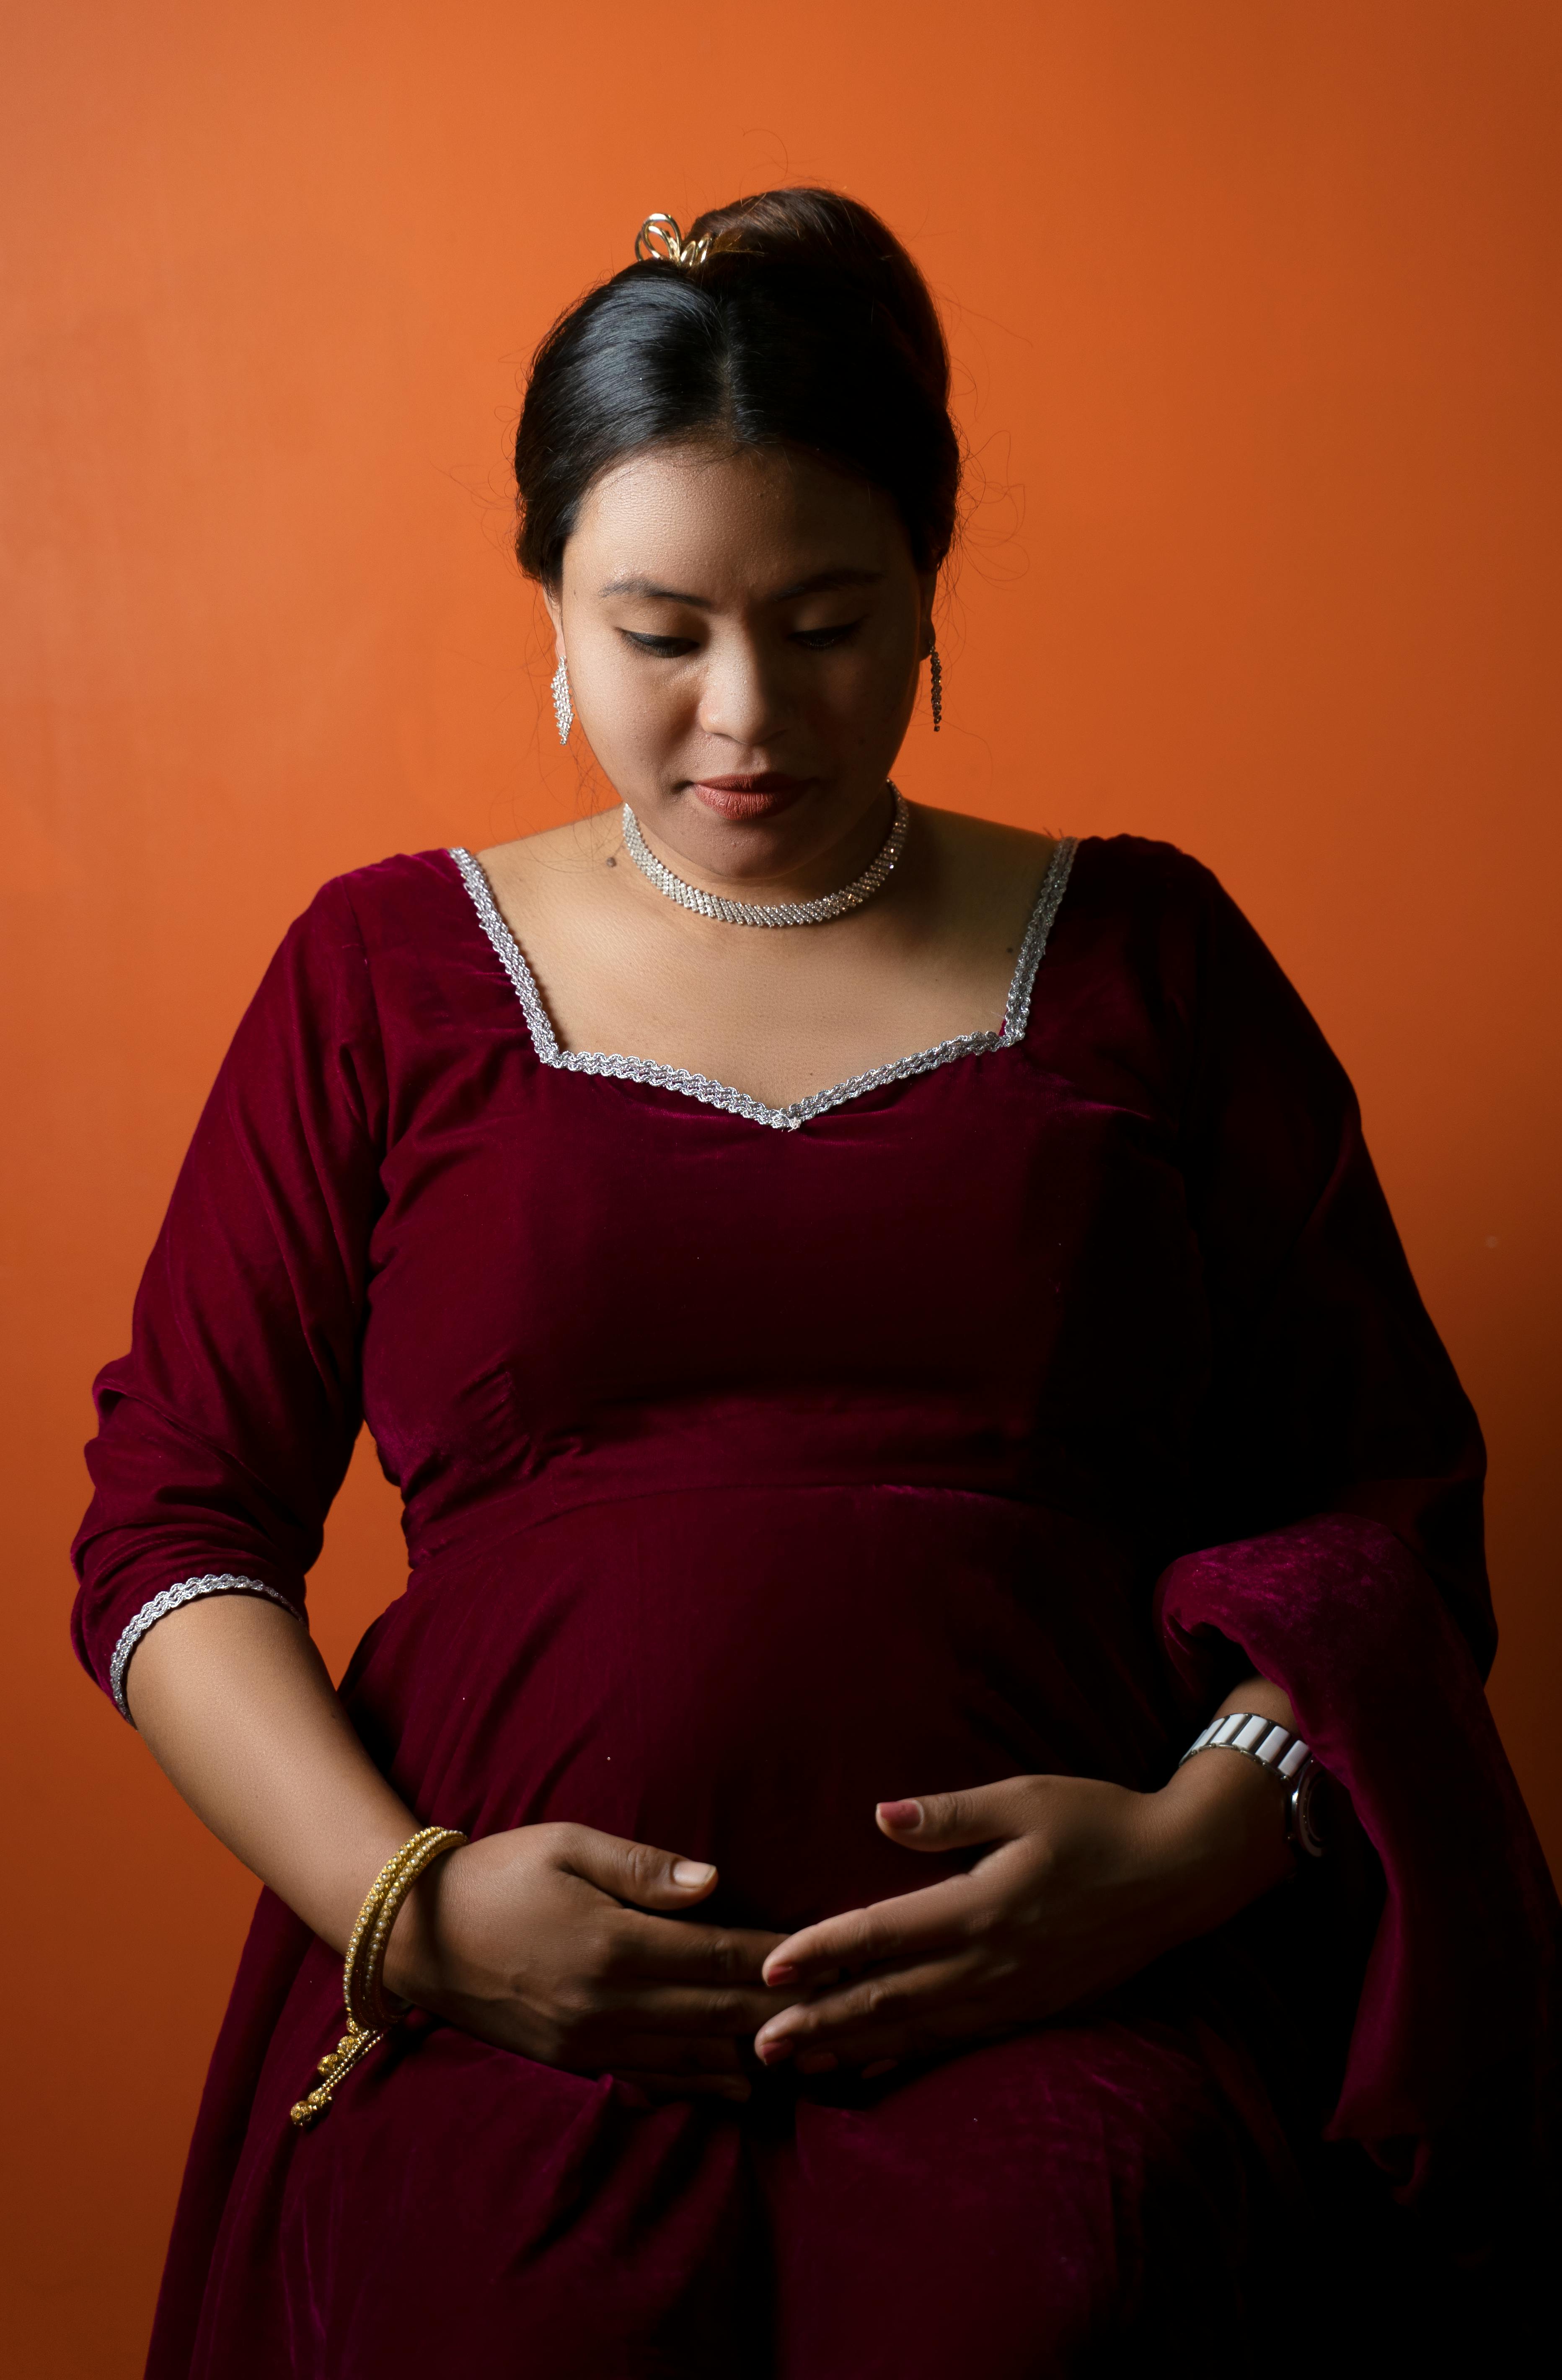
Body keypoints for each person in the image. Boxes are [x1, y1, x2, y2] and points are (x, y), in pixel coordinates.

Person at [72, 189, 1557, 2379]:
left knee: (1075, 2281)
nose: (747, 713)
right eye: (662, 631)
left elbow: (1391, 1516)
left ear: (930, 590)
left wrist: (1180, 1860)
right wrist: (416, 1913)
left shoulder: (1148, 960)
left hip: (1073, 2018)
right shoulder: (379, 979)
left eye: (830, 619)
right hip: (497, 2021)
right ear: (550, 615)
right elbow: (170, 1531)